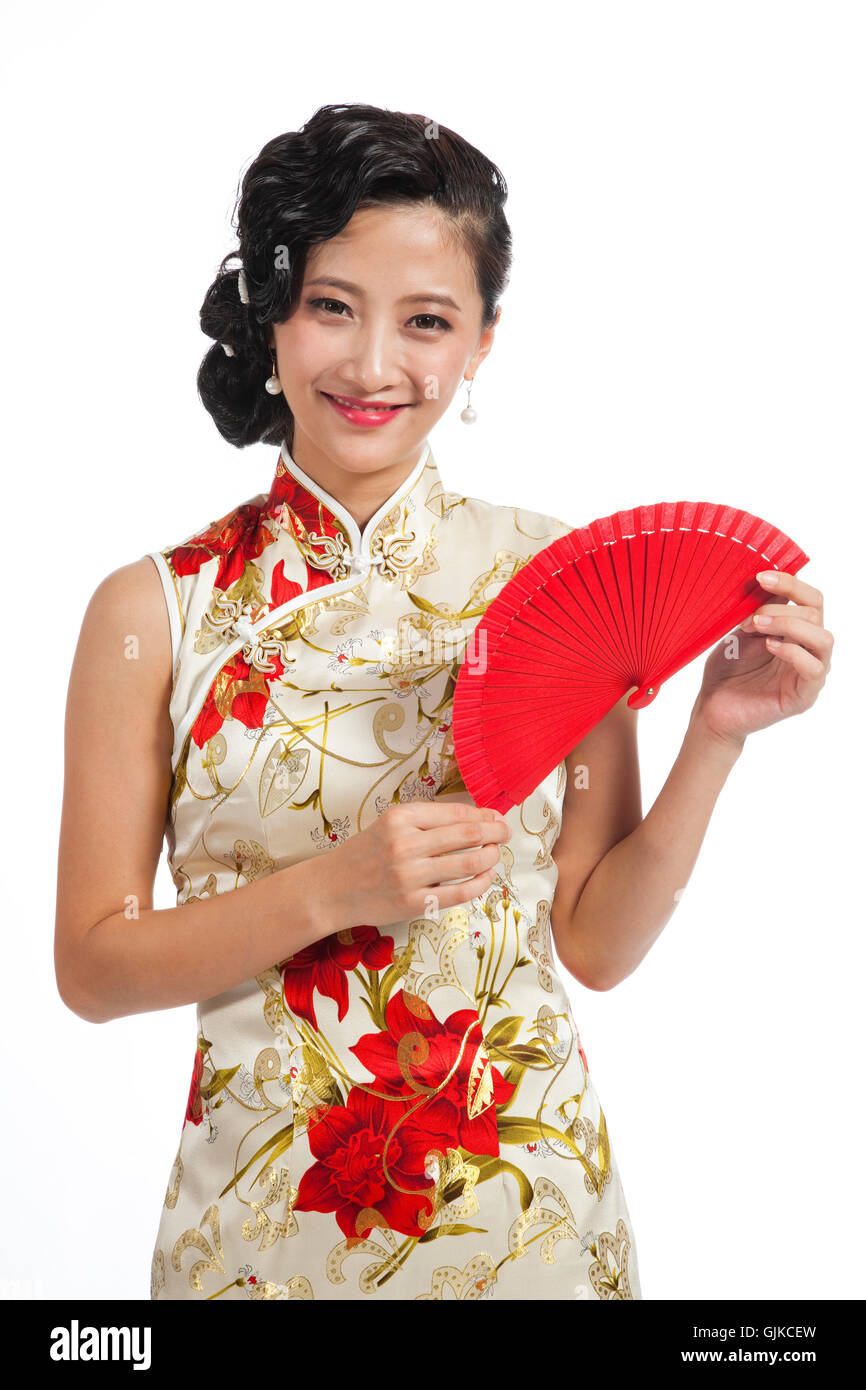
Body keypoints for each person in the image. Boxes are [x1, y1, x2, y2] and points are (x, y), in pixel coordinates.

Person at [54, 103, 832, 1303]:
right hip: (259, 1251)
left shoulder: (556, 580)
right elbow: (94, 967)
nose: (373, 366)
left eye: (426, 321)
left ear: (480, 343)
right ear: (272, 313)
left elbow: (593, 940)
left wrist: (712, 741)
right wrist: (335, 888)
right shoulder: (159, 609)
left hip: (535, 1241)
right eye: (331, 305)